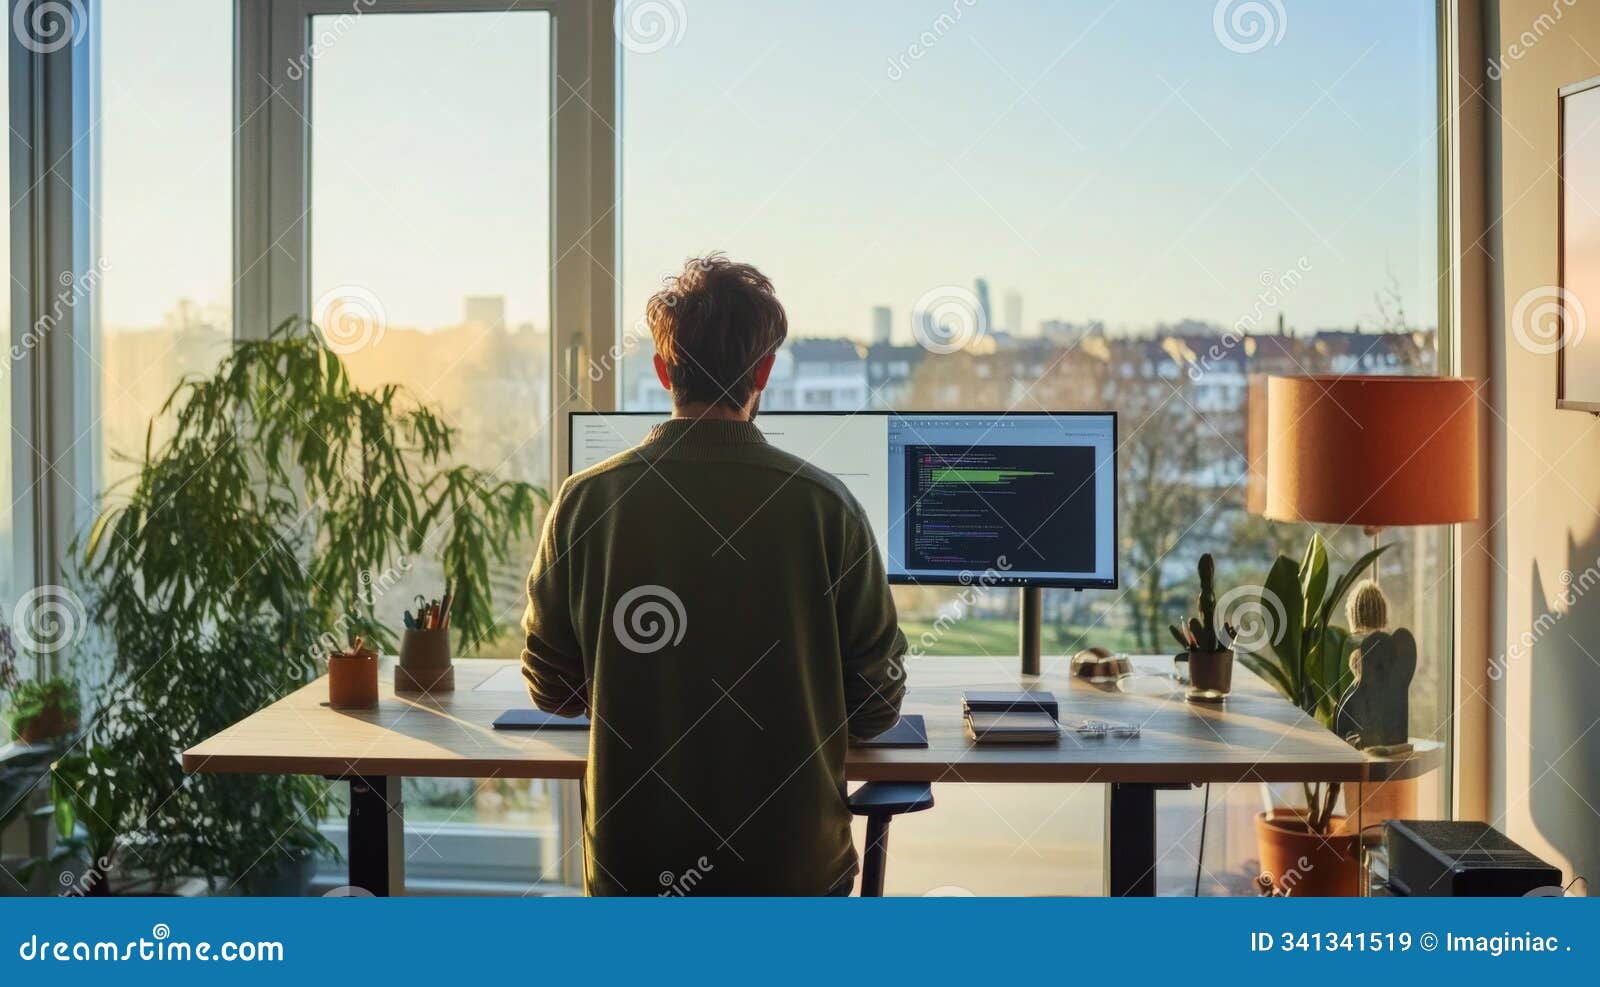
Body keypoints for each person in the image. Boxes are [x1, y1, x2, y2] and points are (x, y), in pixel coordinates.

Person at [521, 254, 906, 896]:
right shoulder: (825, 505)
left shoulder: (585, 503)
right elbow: (876, 705)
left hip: (635, 876)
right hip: (795, 878)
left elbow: (551, 689)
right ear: (764, 371)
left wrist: (639, 693)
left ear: (664, 370)